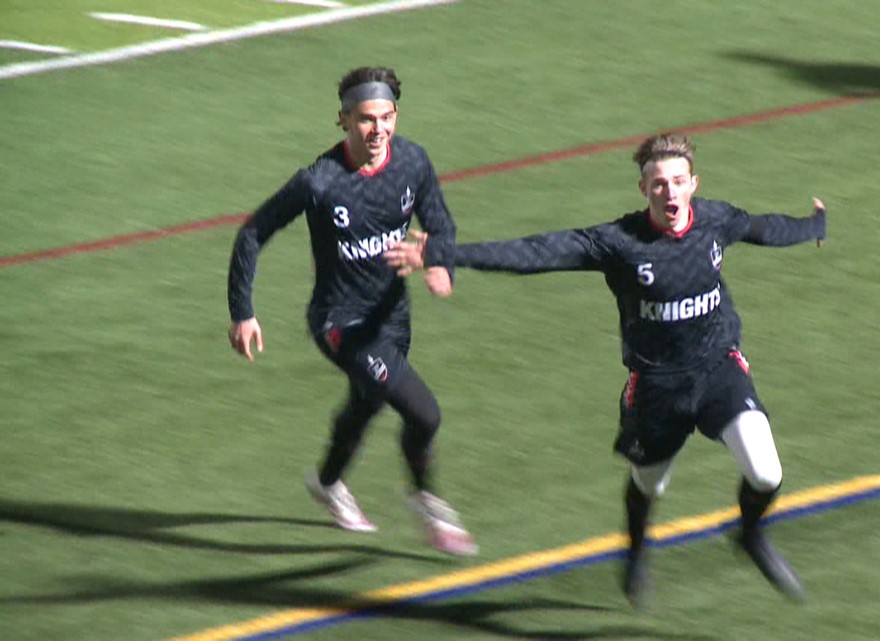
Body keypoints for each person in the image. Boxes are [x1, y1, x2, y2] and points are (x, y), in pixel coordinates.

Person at [387, 133, 826, 604]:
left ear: (694, 184)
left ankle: (750, 534)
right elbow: (534, 253)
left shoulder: (716, 221)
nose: (670, 193)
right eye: (659, 184)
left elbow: (763, 228)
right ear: (643, 189)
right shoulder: (618, 243)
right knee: (649, 484)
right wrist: (442, 252)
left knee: (766, 473)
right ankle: (636, 547)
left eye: (679, 182)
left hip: (719, 370)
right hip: (657, 389)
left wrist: (814, 225)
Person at [226, 66, 476, 556]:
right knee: (424, 413)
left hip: (392, 318)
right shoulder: (319, 182)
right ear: (342, 120)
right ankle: (427, 500)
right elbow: (253, 232)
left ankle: (328, 483)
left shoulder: (413, 164)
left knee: (369, 402)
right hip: (339, 321)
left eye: (386, 117)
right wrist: (243, 311)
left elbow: (441, 225)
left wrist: (439, 264)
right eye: (365, 119)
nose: (378, 129)